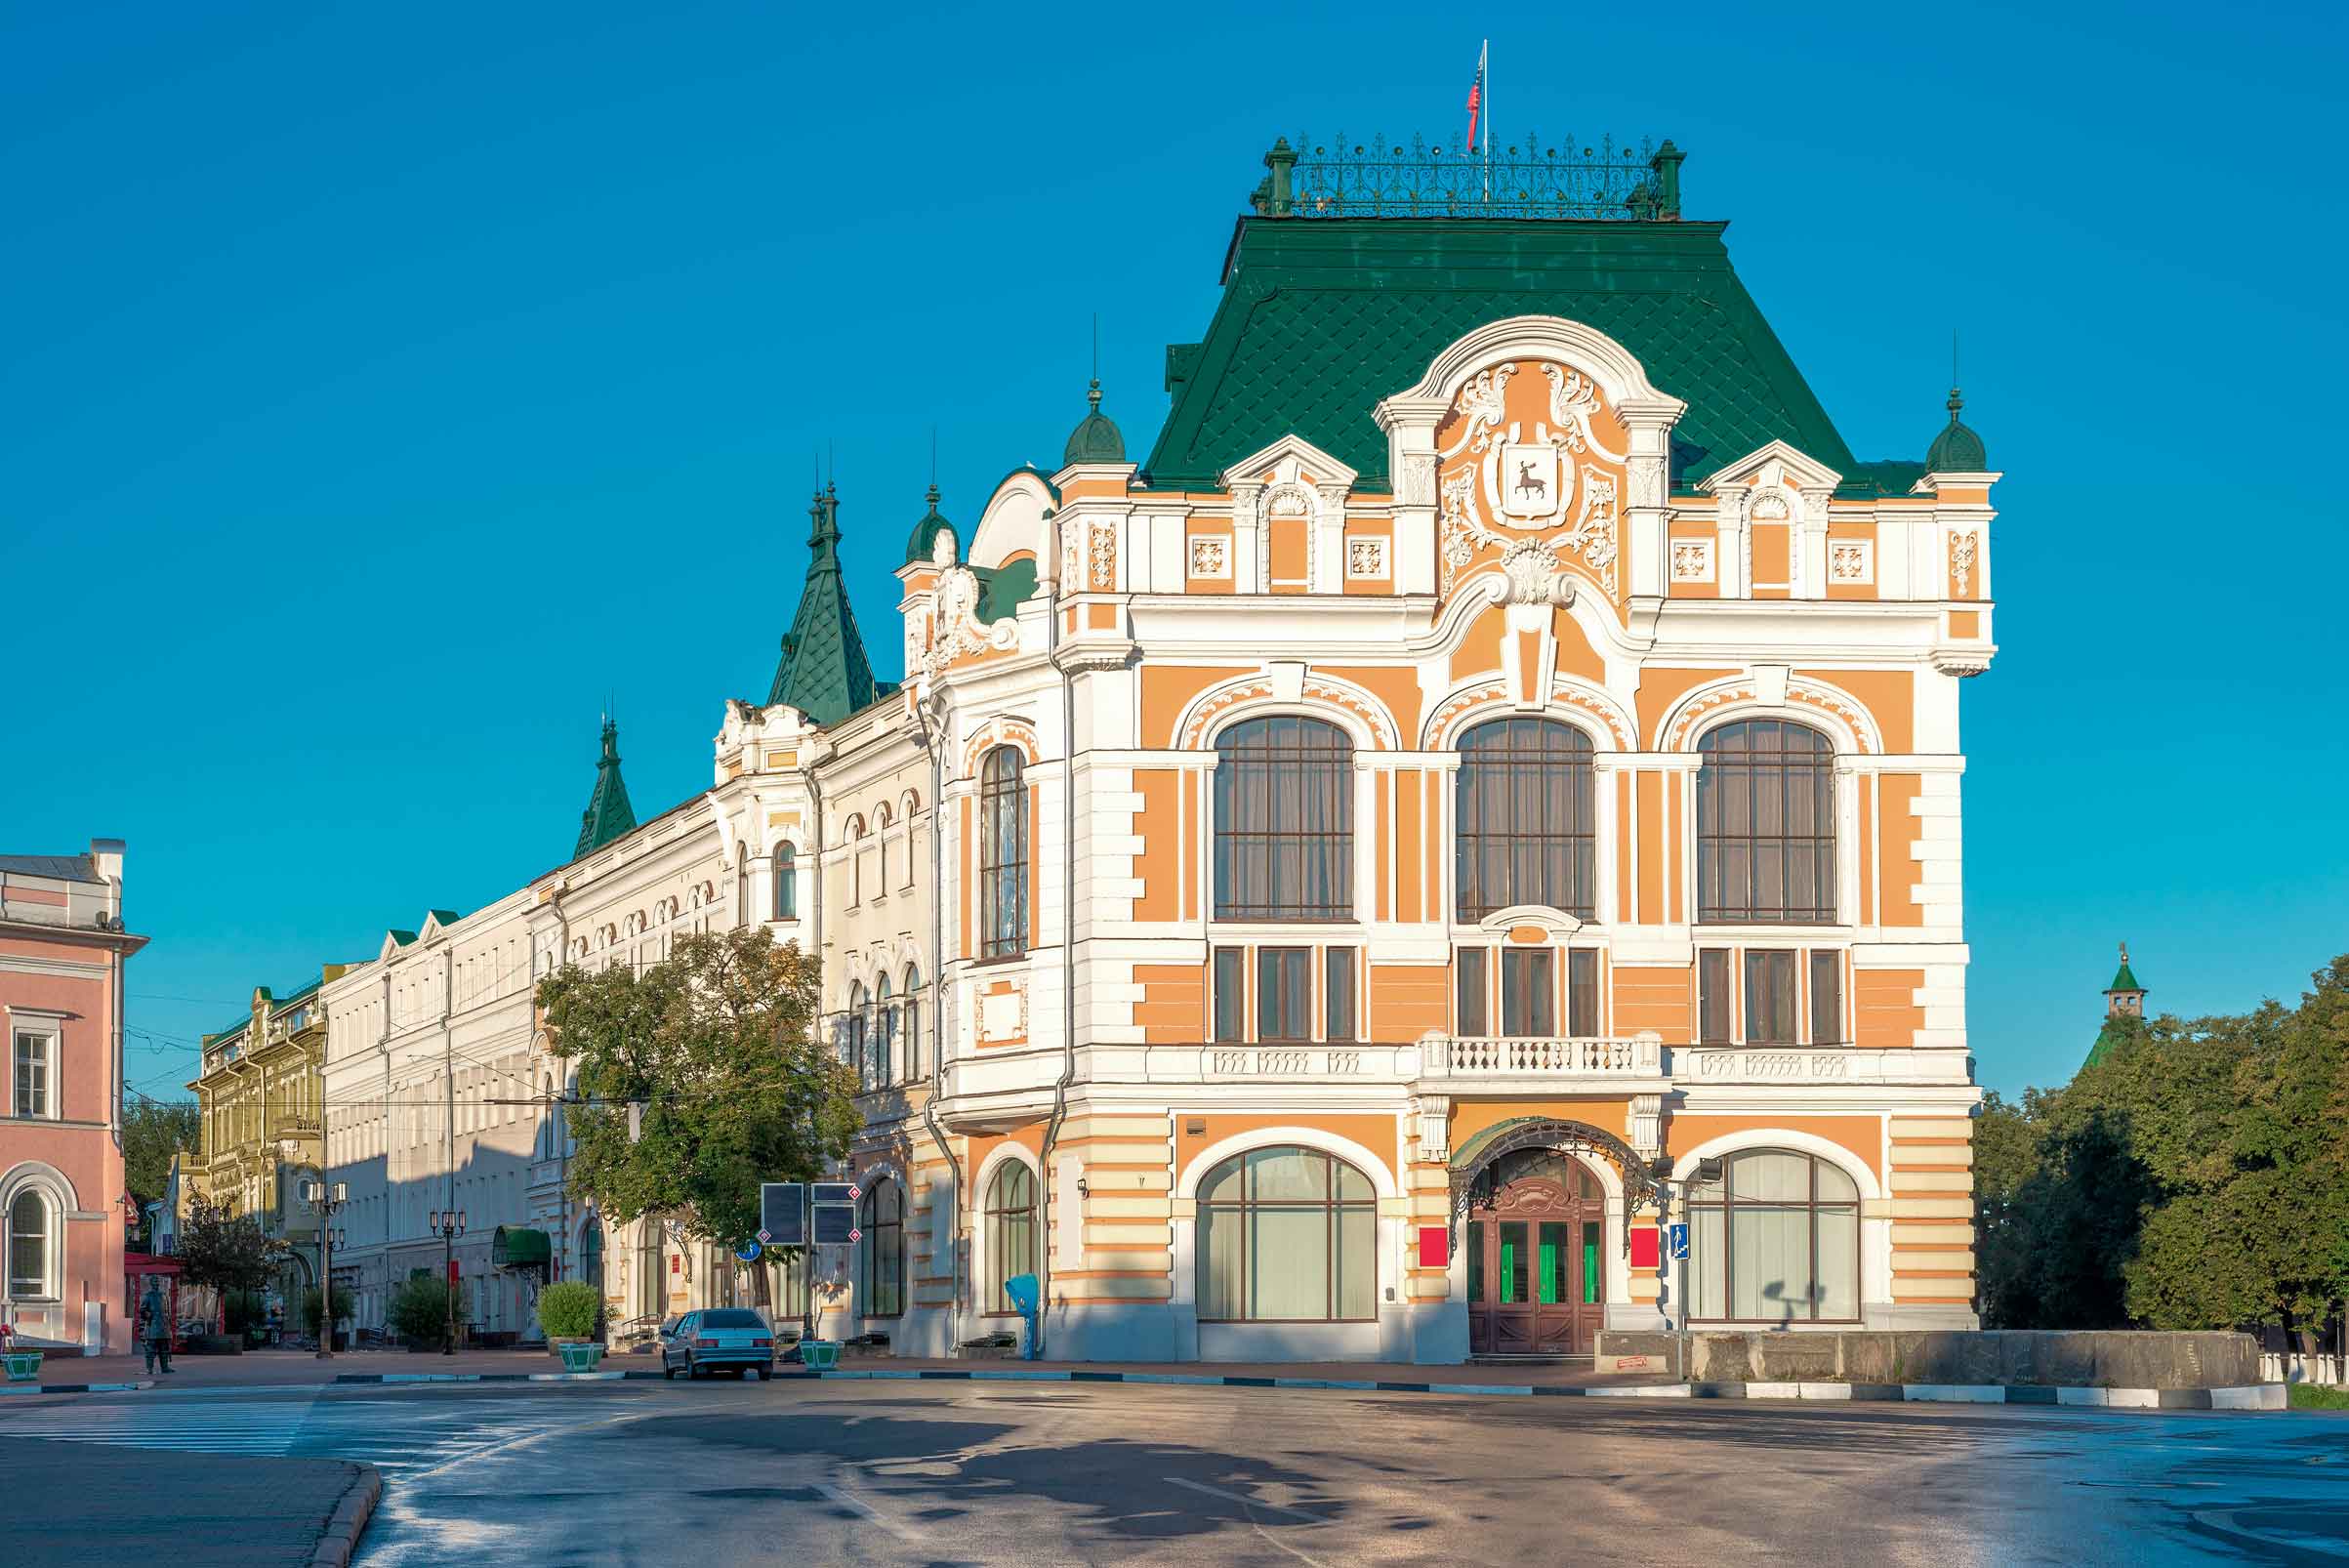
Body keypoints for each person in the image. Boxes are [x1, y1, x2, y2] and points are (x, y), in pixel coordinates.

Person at [139, 1281, 174, 1375]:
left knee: (164, 1349)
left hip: (163, 1326)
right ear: (151, 1284)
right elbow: (142, 1310)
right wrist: (147, 1315)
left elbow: (168, 1312)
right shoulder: (148, 1296)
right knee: (150, 1349)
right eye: (154, 1282)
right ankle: (149, 1368)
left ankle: (165, 1367)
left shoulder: (164, 1295)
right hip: (153, 1326)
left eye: (157, 1282)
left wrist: (168, 1325)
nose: (156, 1284)